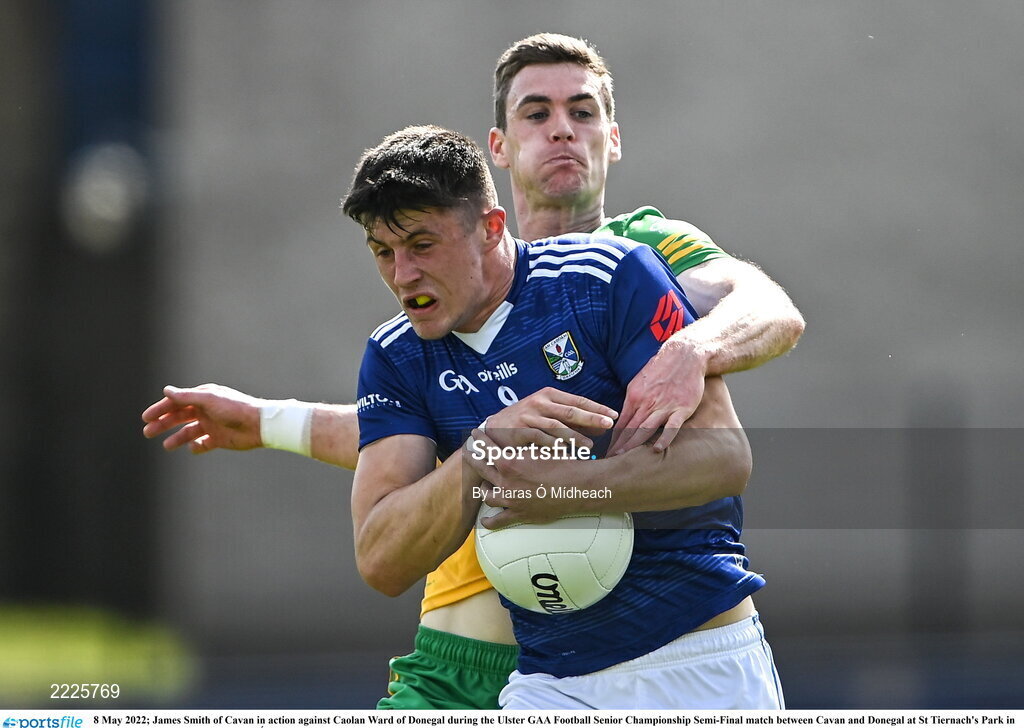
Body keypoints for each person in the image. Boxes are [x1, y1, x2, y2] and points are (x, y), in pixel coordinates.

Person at [142, 34, 802, 708]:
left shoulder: (639, 255)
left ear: (614, 135)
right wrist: (271, 421)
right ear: (500, 145)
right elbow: (426, 442)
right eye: (536, 114)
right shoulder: (412, 333)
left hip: (664, 630)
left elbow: (770, 311)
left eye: (581, 112)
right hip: (496, 650)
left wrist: (689, 352)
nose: (561, 132)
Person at [342, 123, 782, 709]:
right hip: (552, 684)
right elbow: (380, 560)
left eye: (422, 245)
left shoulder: (603, 277)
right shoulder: (396, 356)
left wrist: (570, 489)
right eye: (382, 252)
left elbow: (724, 458)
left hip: (701, 658)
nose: (402, 275)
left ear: (490, 228)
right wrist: (480, 455)